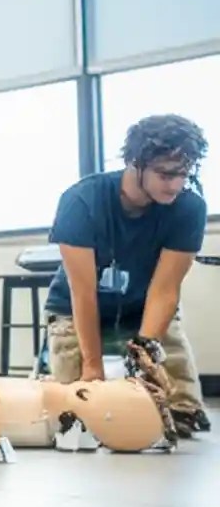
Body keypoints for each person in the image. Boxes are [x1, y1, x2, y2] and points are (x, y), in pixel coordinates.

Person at [45, 113, 210, 435]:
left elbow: (164, 291)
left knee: (180, 412)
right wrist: (92, 369)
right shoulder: (81, 201)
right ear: (135, 163)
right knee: (79, 409)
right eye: (165, 174)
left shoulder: (189, 208)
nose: (175, 184)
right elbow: (83, 293)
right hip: (74, 310)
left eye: (183, 175)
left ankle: (179, 408)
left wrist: (146, 361)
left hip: (142, 307)